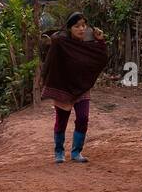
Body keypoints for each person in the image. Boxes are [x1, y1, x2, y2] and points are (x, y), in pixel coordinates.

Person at [41, 12, 108, 163]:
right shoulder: (61, 42)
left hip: (82, 87)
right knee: (62, 120)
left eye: (84, 25)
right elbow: (51, 49)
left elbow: (102, 58)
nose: (81, 29)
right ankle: (59, 152)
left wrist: (101, 40)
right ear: (70, 28)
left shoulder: (90, 44)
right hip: (63, 87)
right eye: (77, 26)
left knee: (83, 118)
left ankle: (76, 152)